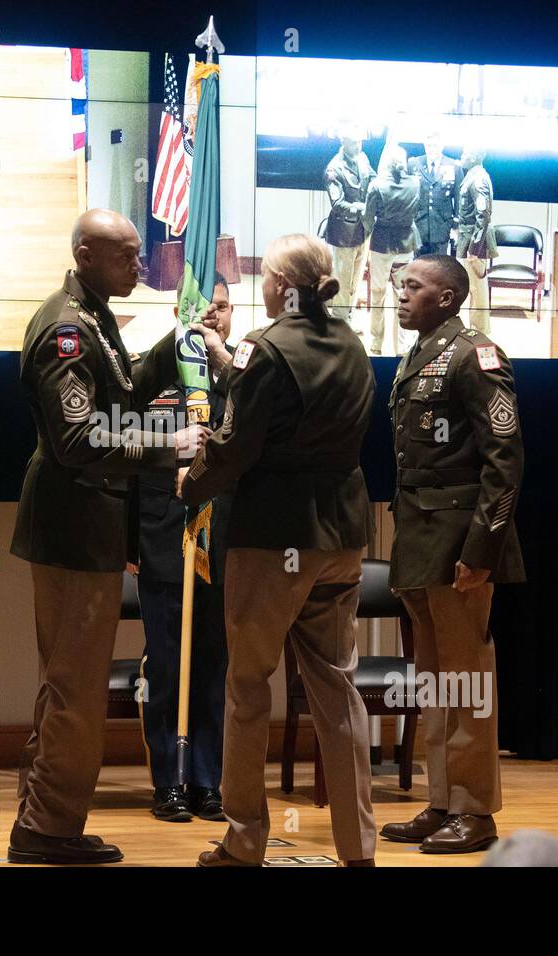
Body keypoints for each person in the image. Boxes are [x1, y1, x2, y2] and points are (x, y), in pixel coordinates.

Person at [8, 209, 210, 865]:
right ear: (87, 253)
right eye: (127, 256)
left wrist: (176, 343)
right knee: (75, 691)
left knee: (69, 686)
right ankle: (48, 831)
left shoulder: (93, 315)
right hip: (71, 526)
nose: (139, 266)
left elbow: (117, 401)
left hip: (85, 526)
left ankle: (48, 820)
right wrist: (168, 446)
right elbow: (76, 439)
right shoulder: (69, 328)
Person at [178, 233, 379, 867]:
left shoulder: (268, 349)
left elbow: (236, 448)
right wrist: (224, 359)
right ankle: (359, 849)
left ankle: (243, 841)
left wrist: (190, 482)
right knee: (337, 693)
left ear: (282, 286)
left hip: (273, 540)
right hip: (341, 537)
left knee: (248, 688)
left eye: (265, 274)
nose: (259, 283)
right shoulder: (353, 345)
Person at [382, 254, 524, 854]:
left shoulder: (475, 355)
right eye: (402, 285)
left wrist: (482, 548)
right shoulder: (418, 353)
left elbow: (505, 459)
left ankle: (475, 811)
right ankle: (441, 801)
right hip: (419, 537)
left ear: (447, 298)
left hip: (462, 541)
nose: (402, 294)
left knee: (467, 681)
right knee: (436, 684)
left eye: (414, 287)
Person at [135, 274, 235, 823]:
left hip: (222, 547)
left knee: (214, 670)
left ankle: (207, 781)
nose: (211, 317)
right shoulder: (156, 377)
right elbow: (129, 462)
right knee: (169, 667)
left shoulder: (241, 378)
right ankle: (168, 782)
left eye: (221, 307)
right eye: (202, 308)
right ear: (181, 312)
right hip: (165, 541)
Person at [363, 144, 420, 355]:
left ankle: (376, 343)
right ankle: (404, 347)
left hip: (381, 245)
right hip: (405, 244)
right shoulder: (416, 183)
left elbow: (368, 220)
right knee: (404, 295)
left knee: (377, 293)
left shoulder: (376, 185)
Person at [322, 130, 374, 325]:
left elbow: (373, 180)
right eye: (353, 142)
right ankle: (340, 323)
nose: (358, 146)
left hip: (363, 231)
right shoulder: (334, 169)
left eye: (360, 141)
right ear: (343, 141)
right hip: (344, 233)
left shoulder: (362, 158)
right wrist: (362, 207)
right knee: (343, 282)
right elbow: (337, 203)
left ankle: (348, 320)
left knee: (356, 280)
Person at [455, 148, 497, 334]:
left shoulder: (478, 179)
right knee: (472, 288)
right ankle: (476, 330)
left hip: (474, 243)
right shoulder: (473, 175)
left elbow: (483, 215)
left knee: (477, 290)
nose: (461, 157)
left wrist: (473, 249)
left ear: (473, 156)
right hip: (468, 238)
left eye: (464, 154)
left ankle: (479, 332)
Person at [411, 133, 460, 257]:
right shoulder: (414, 164)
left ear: (442, 146)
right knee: (418, 267)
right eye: (429, 145)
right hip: (419, 224)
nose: (432, 148)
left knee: (439, 267)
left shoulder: (453, 166)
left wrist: (456, 224)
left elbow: (458, 197)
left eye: (435, 145)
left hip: (442, 225)